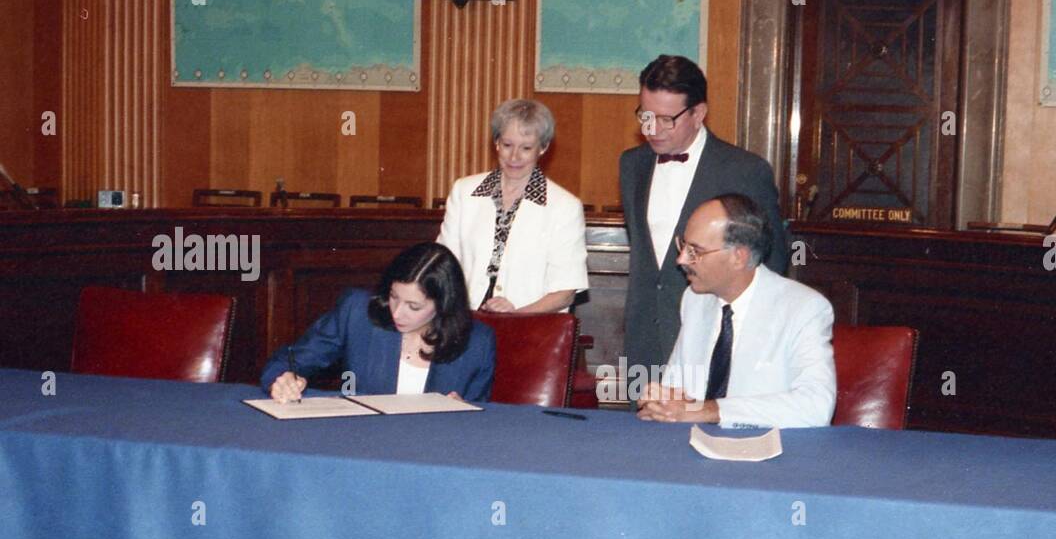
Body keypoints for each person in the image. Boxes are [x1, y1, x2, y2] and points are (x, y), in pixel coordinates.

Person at [620, 54, 789, 385]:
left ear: (698, 113)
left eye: (666, 119)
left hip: (713, 343)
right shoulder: (631, 165)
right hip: (644, 345)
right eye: (645, 115)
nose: (652, 129)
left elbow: (772, 264)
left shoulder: (744, 171)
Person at [637, 195, 834, 429]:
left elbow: (816, 407)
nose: (681, 260)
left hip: (768, 455)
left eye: (695, 251)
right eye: (683, 246)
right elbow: (679, 390)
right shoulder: (695, 299)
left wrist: (710, 411)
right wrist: (662, 402)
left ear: (738, 257)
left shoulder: (803, 308)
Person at [261, 242, 494, 403]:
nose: (398, 313)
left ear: (443, 305)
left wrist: (464, 413)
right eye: (393, 297)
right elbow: (288, 360)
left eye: (414, 306)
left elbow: (479, 414)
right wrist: (281, 380)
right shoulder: (357, 312)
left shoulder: (477, 342)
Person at [437, 98, 588, 313]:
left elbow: (565, 293)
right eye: (507, 145)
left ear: (543, 148)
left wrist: (515, 316)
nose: (514, 157)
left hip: (530, 328)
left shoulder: (564, 207)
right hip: (465, 322)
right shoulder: (464, 192)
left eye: (526, 148)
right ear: (496, 142)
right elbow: (443, 265)